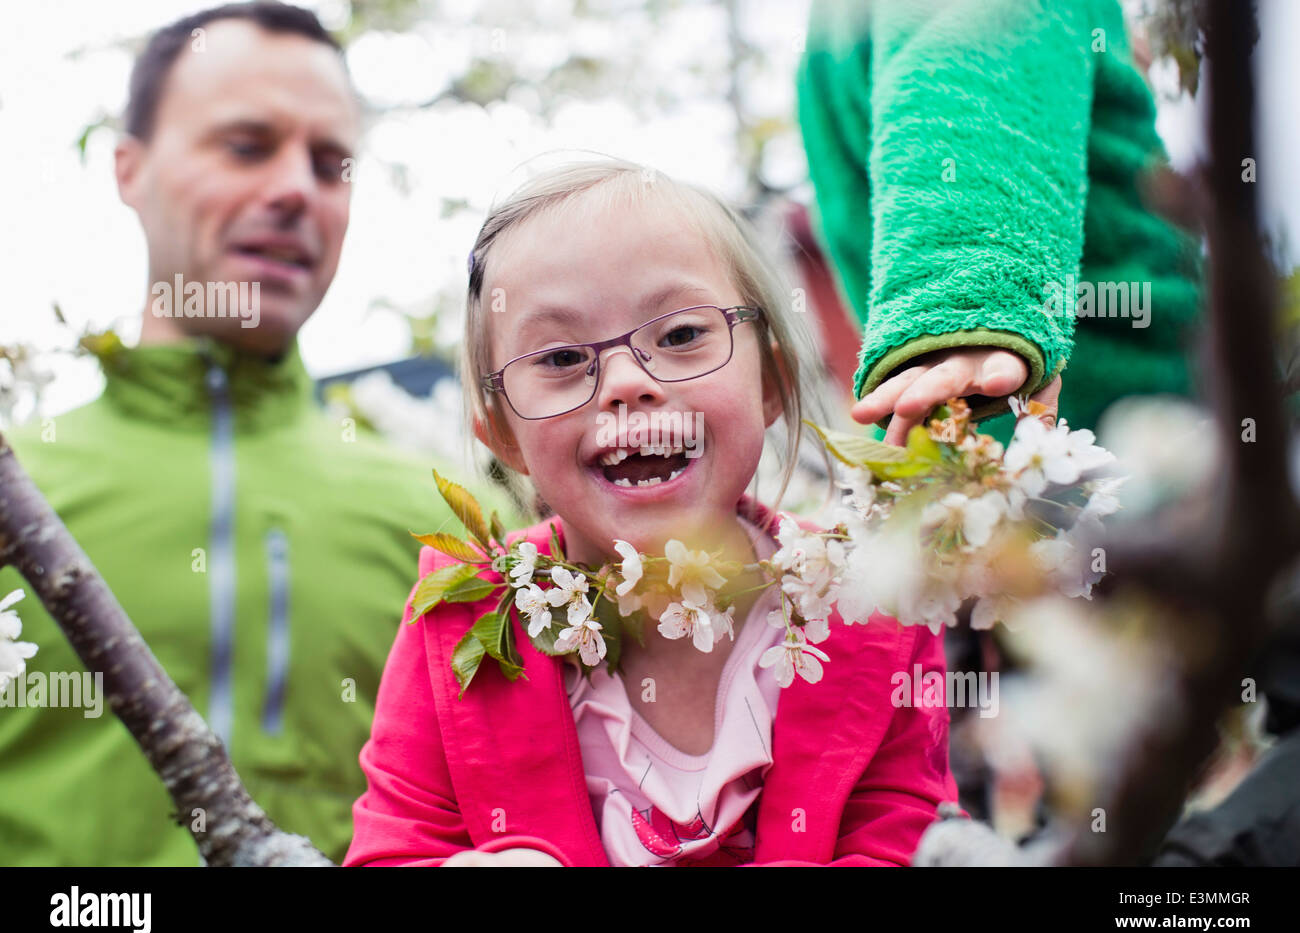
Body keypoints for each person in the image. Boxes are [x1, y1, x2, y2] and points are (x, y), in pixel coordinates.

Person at [344, 159, 962, 867]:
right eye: (563, 356)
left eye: (678, 336)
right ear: (504, 434)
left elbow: (905, 835)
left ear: (771, 382)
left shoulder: (868, 605)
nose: (628, 385)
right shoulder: (459, 626)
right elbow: (398, 845)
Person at [0, 2, 505, 865]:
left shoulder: (455, 526)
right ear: (129, 168)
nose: (294, 190)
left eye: (329, 162)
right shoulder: (20, 489)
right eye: (245, 145)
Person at [797, 0, 1203, 446]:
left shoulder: (828, 39)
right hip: (1113, 431)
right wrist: (964, 305)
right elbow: (971, 68)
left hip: (964, 447)